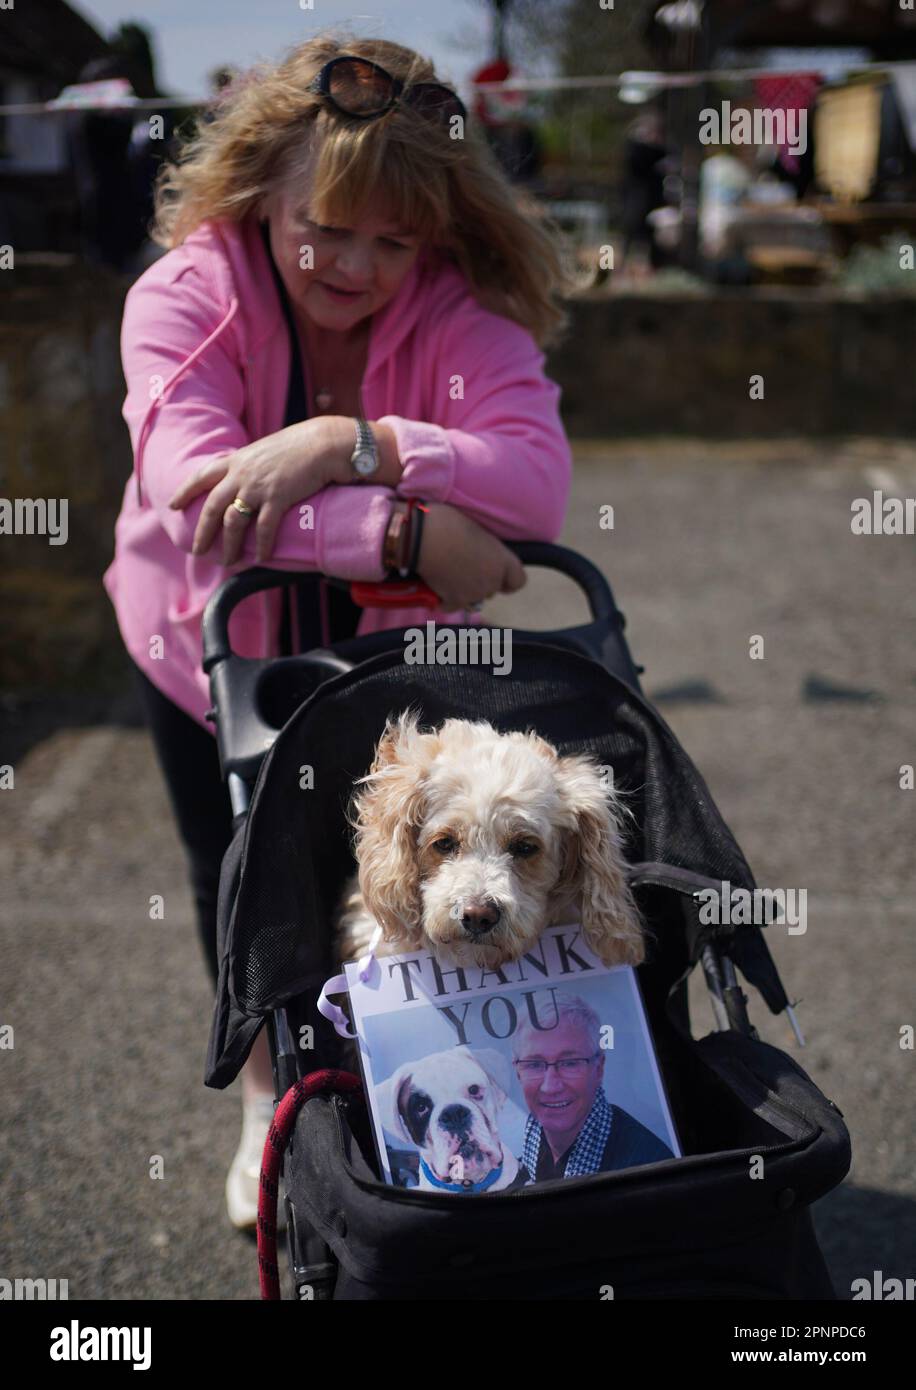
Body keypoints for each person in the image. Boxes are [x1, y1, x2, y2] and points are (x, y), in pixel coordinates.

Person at [102, 33, 576, 1230]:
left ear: (436, 233)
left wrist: (347, 444)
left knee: (389, 864)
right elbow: (197, 497)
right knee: (238, 872)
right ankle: (267, 1100)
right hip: (200, 644)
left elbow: (536, 487)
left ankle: (420, 1074)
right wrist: (411, 538)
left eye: (394, 239)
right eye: (326, 223)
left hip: (389, 660)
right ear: (263, 184)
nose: (355, 263)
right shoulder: (185, 291)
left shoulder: (455, 312)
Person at [513, 996, 673, 1181]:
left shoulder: (647, 1167)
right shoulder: (518, 1161)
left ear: (599, 1068)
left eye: (570, 1063)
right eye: (534, 1064)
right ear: (517, 1072)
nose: (551, 1086)